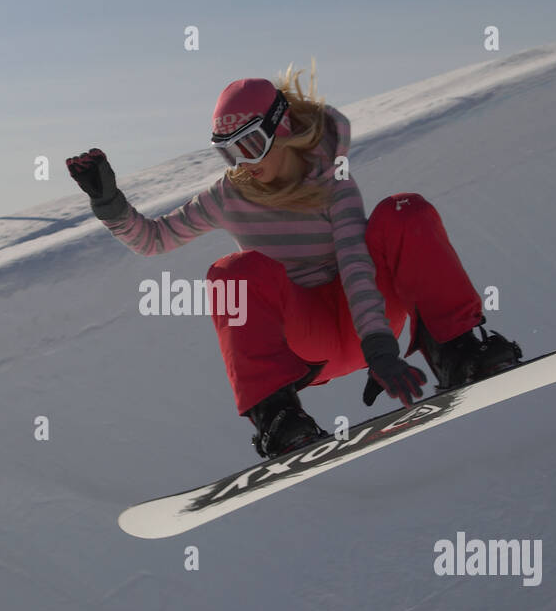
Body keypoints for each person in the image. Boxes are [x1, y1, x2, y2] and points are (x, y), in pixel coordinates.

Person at [66, 63, 521, 458]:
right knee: (232, 275)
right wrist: (110, 205)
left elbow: (358, 262)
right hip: (309, 339)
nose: (243, 164)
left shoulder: (332, 182)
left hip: (369, 319)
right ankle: (278, 416)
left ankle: (458, 351)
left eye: (251, 145)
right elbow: (154, 240)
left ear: (280, 128)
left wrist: (379, 348)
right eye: (228, 152)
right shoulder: (231, 194)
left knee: (404, 210)